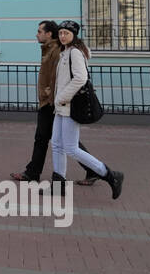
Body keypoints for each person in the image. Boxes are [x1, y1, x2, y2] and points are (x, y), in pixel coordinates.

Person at [11, 20, 99, 191]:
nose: (37, 34)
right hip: (50, 100)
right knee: (55, 140)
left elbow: (60, 77)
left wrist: (52, 96)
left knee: (48, 139)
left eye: (39, 31)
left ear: (48, 34)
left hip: (53, 101)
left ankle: (34, 173)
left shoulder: (57, 51)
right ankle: (34, 172)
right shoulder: (49, 49)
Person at [50, 21, 123, 200]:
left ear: (74, 35)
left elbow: (81, 78)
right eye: (60, 33)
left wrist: (61, 97)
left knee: (71, 148)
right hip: (62, 107)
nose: (62, 36)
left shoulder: (75, 52)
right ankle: (58, 186)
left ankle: (109, 175)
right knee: (57, 145)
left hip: (70, 106)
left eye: (66, 33)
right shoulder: (65, 52)